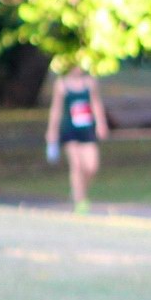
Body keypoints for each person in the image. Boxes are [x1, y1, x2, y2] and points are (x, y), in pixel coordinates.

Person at [44, 64, 109, 214]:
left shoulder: (90, 83)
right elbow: (56, 108)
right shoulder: (61, 84)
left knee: (91, 166)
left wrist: (101, 123)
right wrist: (52, 130)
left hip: (86, 129)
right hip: (69, 129)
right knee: (76, 165)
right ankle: (80, 201)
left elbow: (96, 103)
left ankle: (79, 190)